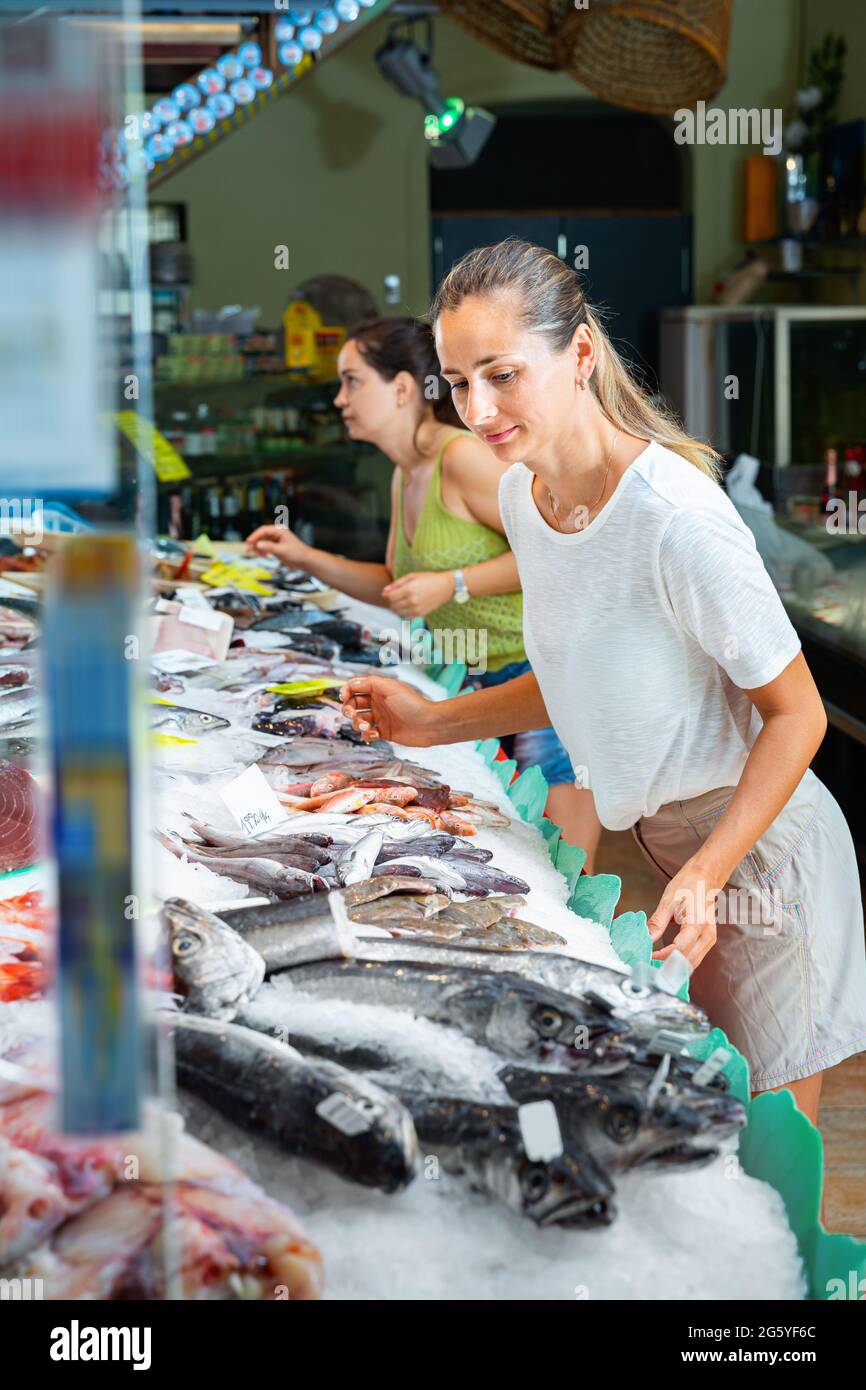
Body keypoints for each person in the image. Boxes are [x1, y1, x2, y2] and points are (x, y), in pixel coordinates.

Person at [339, 239, 866, 1127]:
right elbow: (573, 671)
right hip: (685, 852)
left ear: (580, 354)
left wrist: (708, 869)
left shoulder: (674, 516)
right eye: (460, 383)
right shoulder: (523, 499)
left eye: (503, 375)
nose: (480, 409)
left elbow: (798, 716)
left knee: (765, 1160)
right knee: (709, 1130)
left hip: (768, 859)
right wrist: (432, 725)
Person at [246, 314, 601, 865]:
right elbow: (397, 587)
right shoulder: (405, 472)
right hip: (476, 684)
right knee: (508, 859)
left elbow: (560, 552)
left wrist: (453, 584)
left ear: (403, 388)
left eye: (352, 381)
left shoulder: (460, 458)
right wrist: (304, 557)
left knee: (559, 875)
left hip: (536, 683)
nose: (339, 399)